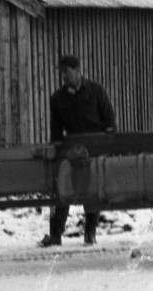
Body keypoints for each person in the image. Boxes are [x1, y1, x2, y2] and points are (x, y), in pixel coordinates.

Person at [42, 54, 116, 246]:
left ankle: (90, 233)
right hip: (71, 147)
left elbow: (109, 119)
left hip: (95, 145)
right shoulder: (57, 98)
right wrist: (57, 148)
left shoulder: (96, 91)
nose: (63, 77)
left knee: (92, 191)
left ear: (77, 70)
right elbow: (56, 128)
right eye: (61, 73)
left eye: (66, 72)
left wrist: (108, 143)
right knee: (63, 188)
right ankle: (56, 235)